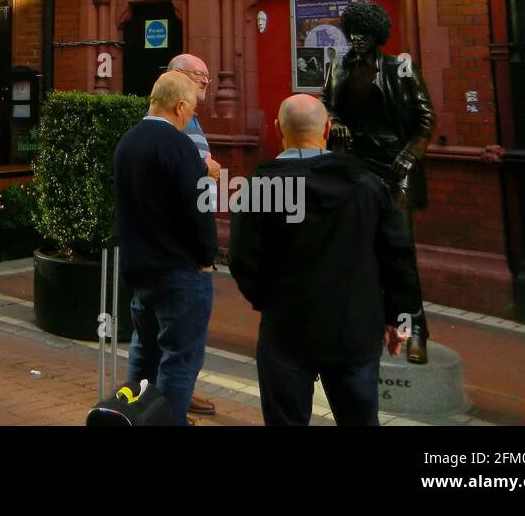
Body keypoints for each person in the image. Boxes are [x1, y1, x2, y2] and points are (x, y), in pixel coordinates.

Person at [229, 94, 418, 426]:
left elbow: (243, 260)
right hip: (355, 327)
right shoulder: (368, 184)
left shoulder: (262, 187)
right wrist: (398, 317)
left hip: (286, 329)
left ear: (277, 129)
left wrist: (268, 301)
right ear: (328, 129)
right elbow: (398, 255)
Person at [320, 0, 435, 362]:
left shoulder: (399, 68)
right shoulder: (339, 66)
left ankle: (413, 328)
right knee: (358, 243)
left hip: (395, 164)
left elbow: (425, 119)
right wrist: (334, 122)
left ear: (377, 36)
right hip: (355, 164)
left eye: (364, 33)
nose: (356, 39)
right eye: (352, 32)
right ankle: (366, 320)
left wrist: (410, 154)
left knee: (398, 248)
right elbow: (326, 103)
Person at [113, 71, 219, 426]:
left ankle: (133, 418)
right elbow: (198, 210)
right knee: (180, 359)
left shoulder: (127, 142)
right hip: (179, 272)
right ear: (179, 106)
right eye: (190, 110)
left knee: (143, 354)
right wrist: (207, 258)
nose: (190, 117)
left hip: (140, 270)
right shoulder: (179, 145)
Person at [166, 52, 220, 418]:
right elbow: (172, 174)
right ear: (179, 77)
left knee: (185, 333)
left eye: (207, 75)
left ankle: (182, 392)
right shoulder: (172, 122)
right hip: (183, 247)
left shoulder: (191, 120)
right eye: (199, 74)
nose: (205, 80)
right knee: (183, 332)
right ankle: (171, 407)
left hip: (191, 237)